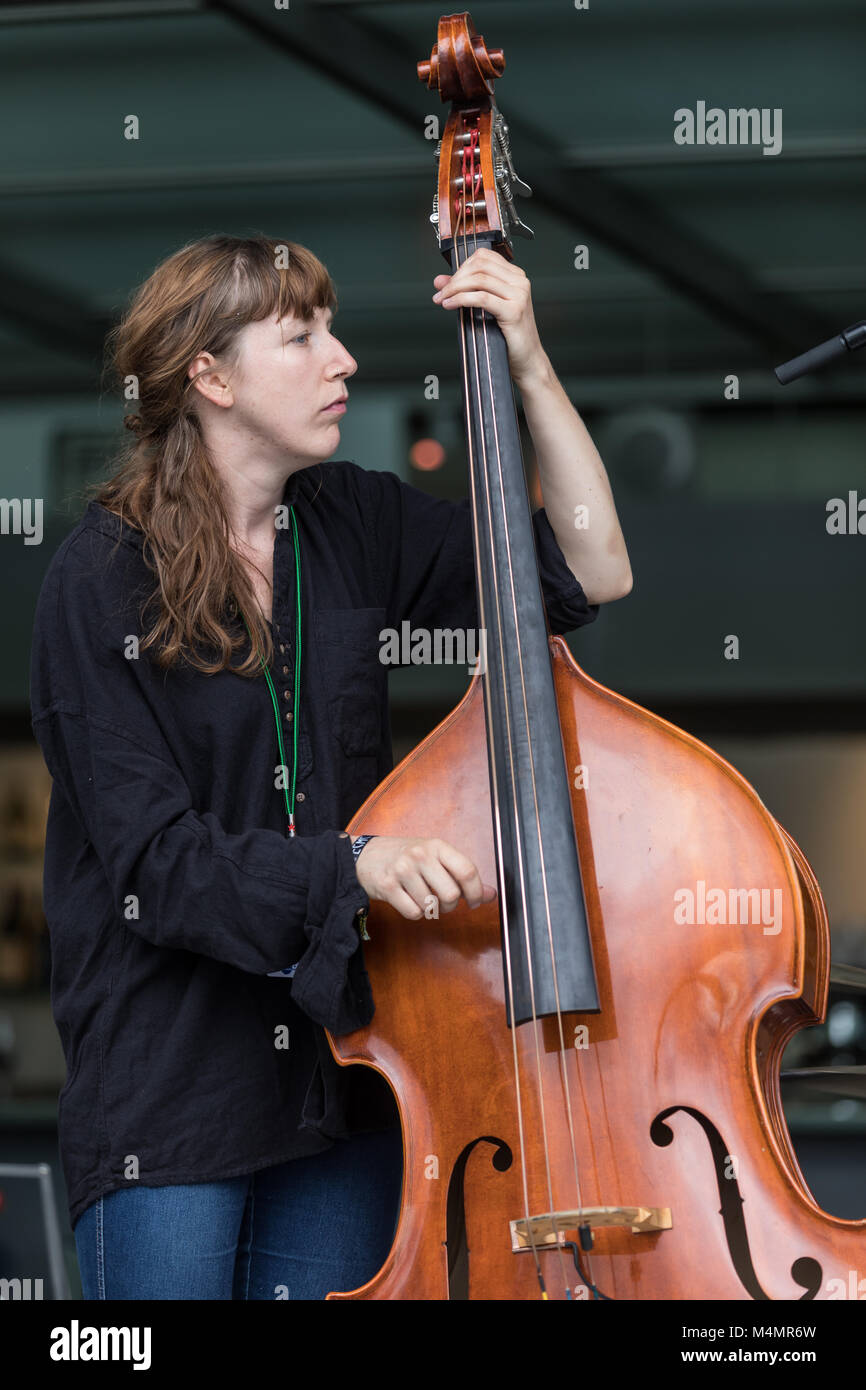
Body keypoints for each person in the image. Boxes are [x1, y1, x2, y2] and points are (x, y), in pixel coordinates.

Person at [29, 233, 631, 1301]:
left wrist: (528, 361)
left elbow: (591, 565)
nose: (342, 358)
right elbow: (155, 866)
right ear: (208, 376)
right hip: (169, 1103)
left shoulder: (348, 521)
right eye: (301, 336)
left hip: (346, 1087)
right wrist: (352, 865)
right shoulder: (99, 577)